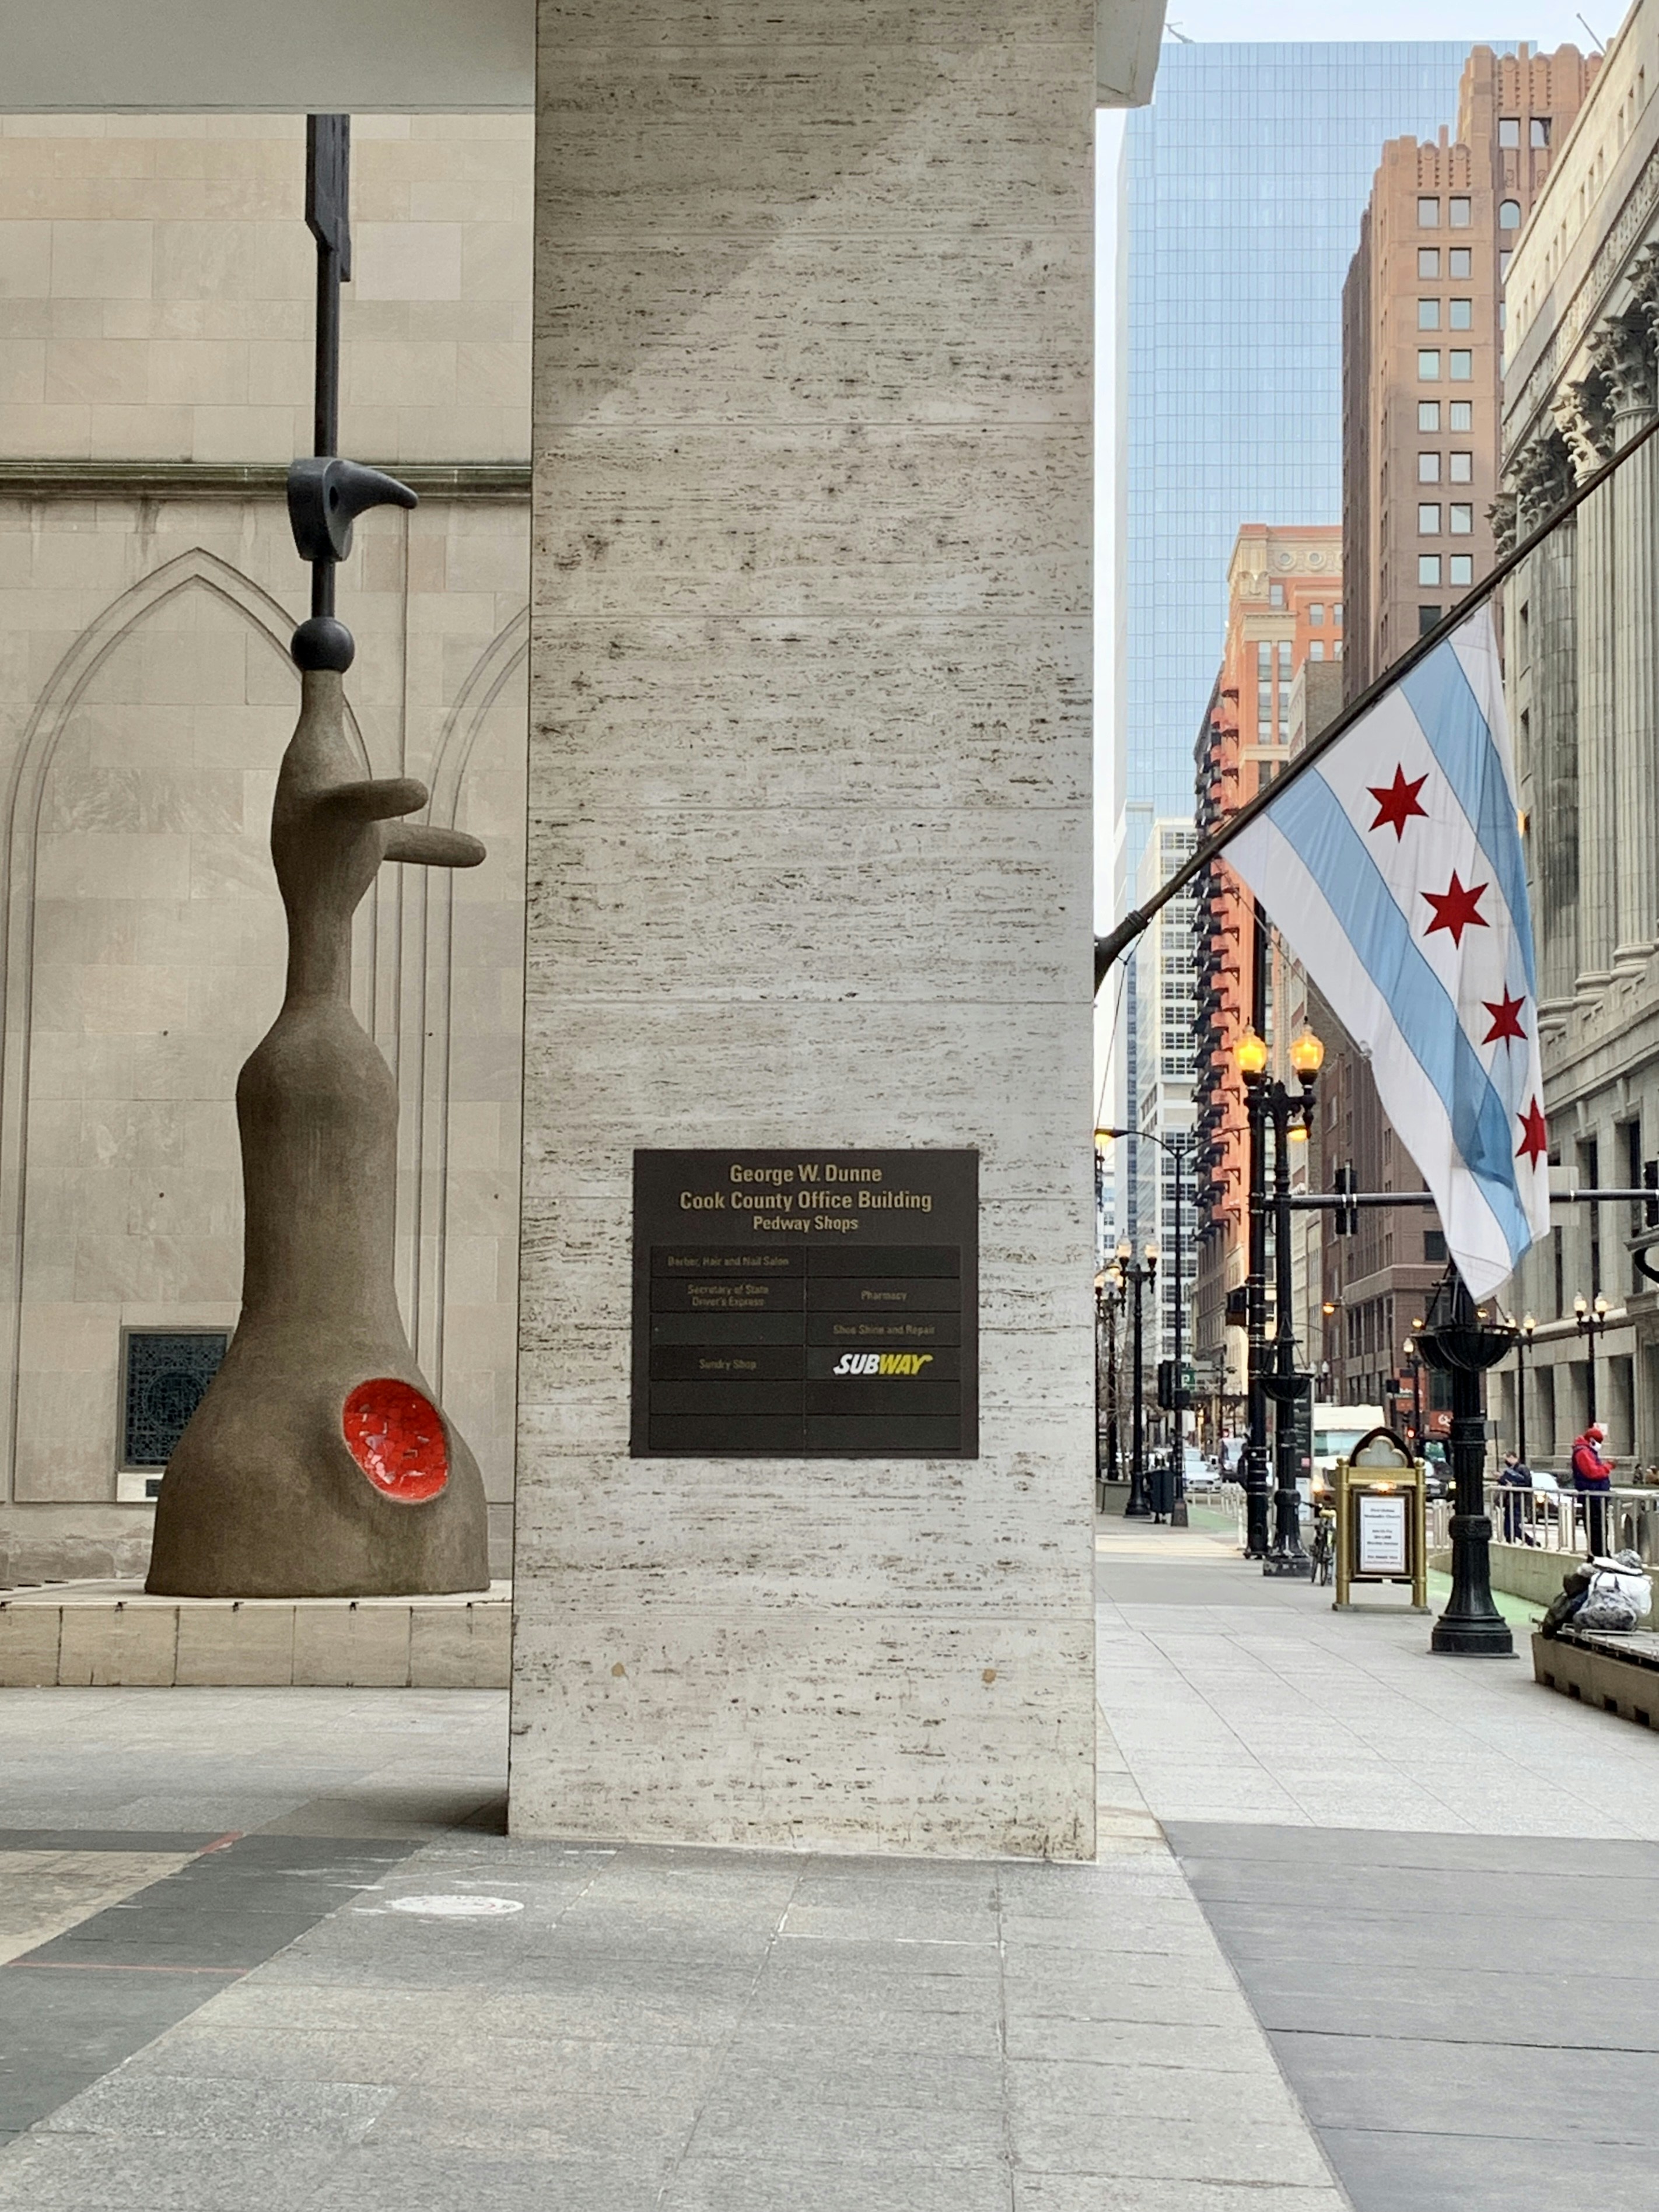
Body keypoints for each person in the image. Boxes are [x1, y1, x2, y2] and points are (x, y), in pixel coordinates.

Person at [1570, 1422, 1615, 1557]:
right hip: (1593, 1495)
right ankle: (1599, 1552)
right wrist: (1608, 1466)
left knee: (1599, 1525)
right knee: (1597, 1525)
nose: (1599, 1445)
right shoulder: (1583, 1452)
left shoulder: (1586, 1451)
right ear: (1591, 1440)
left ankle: (1600, 1551)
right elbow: (1593, 1473)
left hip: (1596, 1495)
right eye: (1598, 1441)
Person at [1497, 1449, 1534, 1544]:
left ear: (1512, 1458)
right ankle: (1511, 1541)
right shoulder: (1511, 1470)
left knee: (1514, 1525)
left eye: (1506, 1459)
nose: (1505, 1462)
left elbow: (1527, 1483)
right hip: (1510, 1501)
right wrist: (1501, 1479)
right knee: (1508, 1526)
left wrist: (1513, 1486)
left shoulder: (1522, 1468)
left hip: (1518, 1500)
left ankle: (1530, 1541)